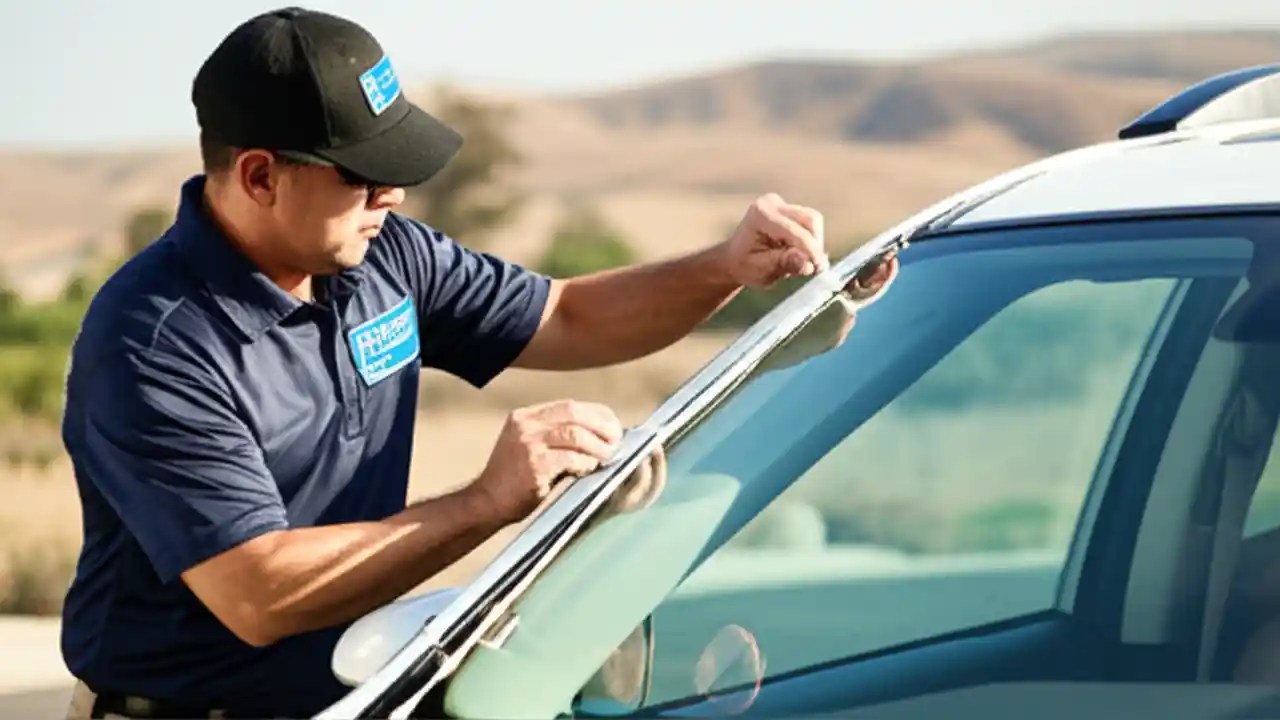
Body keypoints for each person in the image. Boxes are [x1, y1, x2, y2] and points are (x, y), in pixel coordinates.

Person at [58, 7, 896, 719]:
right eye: (366, 175)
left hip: (362, 692)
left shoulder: (385, 255)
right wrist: (485, 503)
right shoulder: (155, 342)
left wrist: (725, 267)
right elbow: (258, 595)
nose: (394, 195)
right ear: (259, 175)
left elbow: (567, 316)